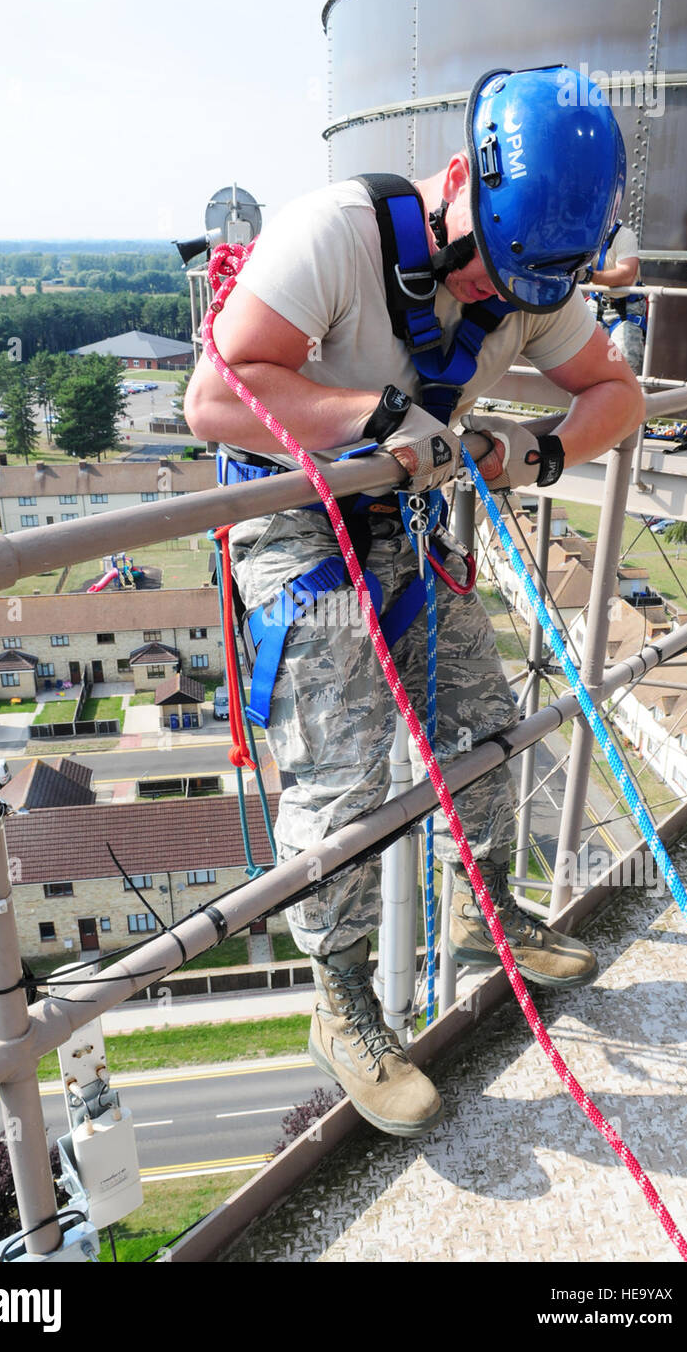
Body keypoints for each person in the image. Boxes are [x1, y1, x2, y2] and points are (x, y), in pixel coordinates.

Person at [185, 66, 644, 1139]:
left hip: (411, 513)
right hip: (302, 517)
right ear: (455, 185)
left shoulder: (530, 269)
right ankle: (339, 997)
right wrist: (370, 421)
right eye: (490, 278)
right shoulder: (334, 235)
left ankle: (484, 914)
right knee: (344, 770)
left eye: (525, 296)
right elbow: (215, 393)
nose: (497, 307)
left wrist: (528, 448)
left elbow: (612, 393)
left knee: (484, 720)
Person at [584, 220, 647, 374]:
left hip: (625, 310)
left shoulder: (625, 236)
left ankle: (621, 397)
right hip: (596, 305)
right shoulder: (586, 235)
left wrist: (588, 276)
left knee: (622, 368)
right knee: (583, 366)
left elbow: (625, 275)